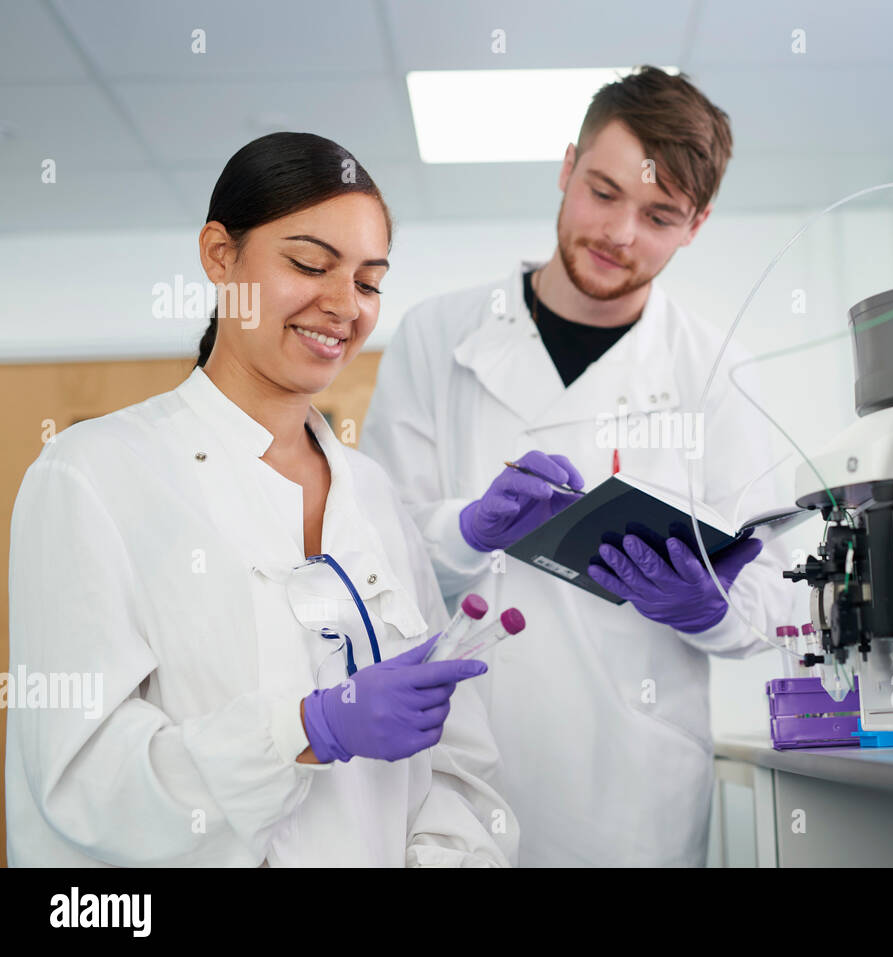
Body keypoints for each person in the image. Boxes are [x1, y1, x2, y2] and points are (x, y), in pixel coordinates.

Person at [5, 132, 516, 867]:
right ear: (220, 256)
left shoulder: (371, 495)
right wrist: (307, 728)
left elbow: (457, 765)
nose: (345, 306)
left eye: (370, 282)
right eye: (309, 264)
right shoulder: (92, 476)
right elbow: (79, 783)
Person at [361, 67, 800, 866]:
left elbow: (773, 590)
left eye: (659, 214)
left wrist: (707, 607)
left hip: (630, 791)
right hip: (458, 760)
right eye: (602, 191)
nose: (620, 232)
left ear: (695, 225)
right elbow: (375, 564)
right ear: (567, 169)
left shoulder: (714, 371)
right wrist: (463, 530)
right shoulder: (438, 336)